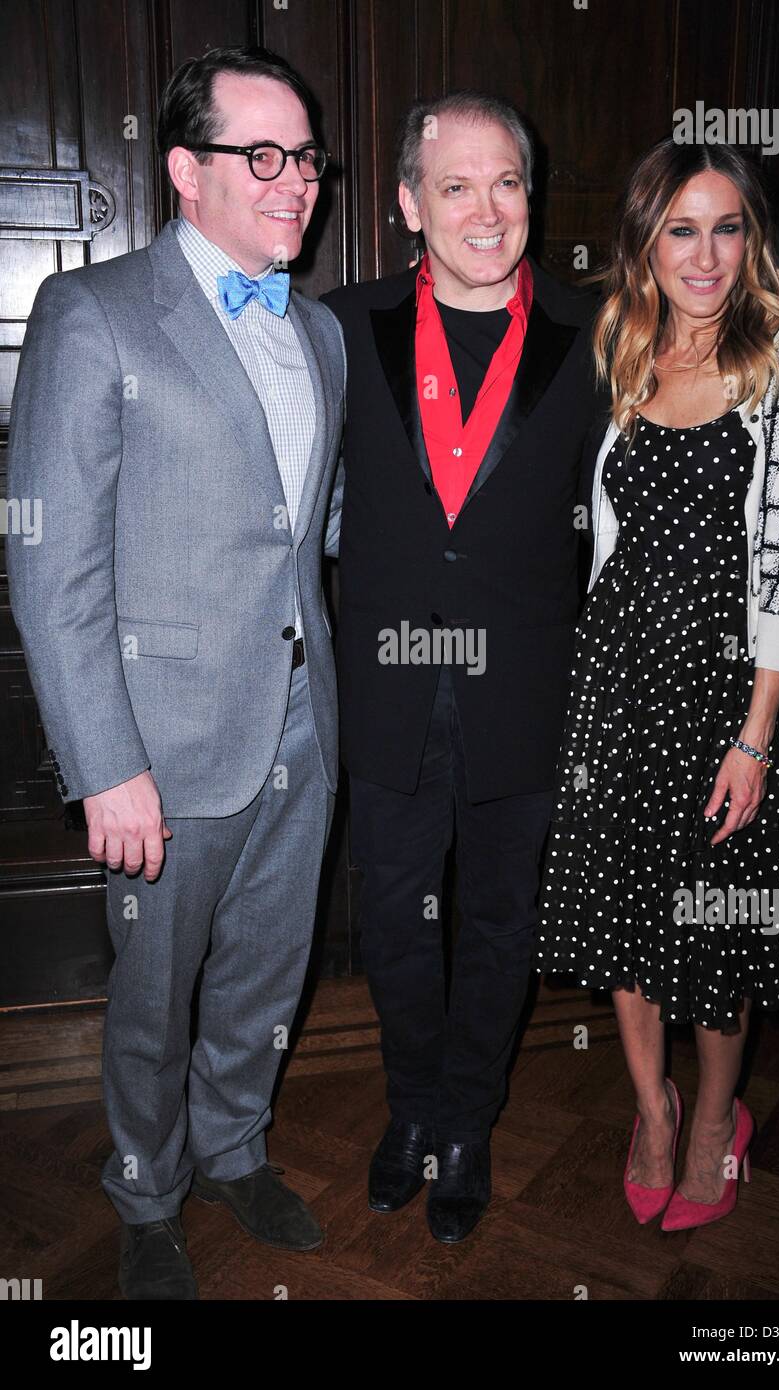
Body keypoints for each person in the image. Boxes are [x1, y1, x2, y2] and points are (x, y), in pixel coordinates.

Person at [6, 45, 345, 1299]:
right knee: (153, 993)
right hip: (160, 742)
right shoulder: (92, 313)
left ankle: (234, 1147)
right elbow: (53, 567)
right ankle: (145, 1193)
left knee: (267, 967)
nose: (294, 179)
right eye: (262, 154)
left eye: (305, 155)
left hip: (303, 727)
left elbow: (308, 525)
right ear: (186, 171)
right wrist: (106, 764)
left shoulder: (318, 331)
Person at [537, 136, 779, 1231]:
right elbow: (601, 534)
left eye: (727, 226)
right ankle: (651, 1113)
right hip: (619, 676)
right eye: (680, 228)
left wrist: (757, 735)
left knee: (717, 924)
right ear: (645, 242)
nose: (705, 254)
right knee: (627, 918)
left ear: (751, 239)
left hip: (733, 694)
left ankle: (715, 1116)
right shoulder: (620, 344)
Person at [321, 91, 604, 1242]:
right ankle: (411, 1112)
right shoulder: (338, 325)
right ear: (407, 203)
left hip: (525, 696)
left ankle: (470, 1123)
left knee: (496, 921)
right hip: (385, 688)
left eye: (508, 183)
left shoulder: (601, 337)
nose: (487, 210)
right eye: (455, 185)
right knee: (393, 921)